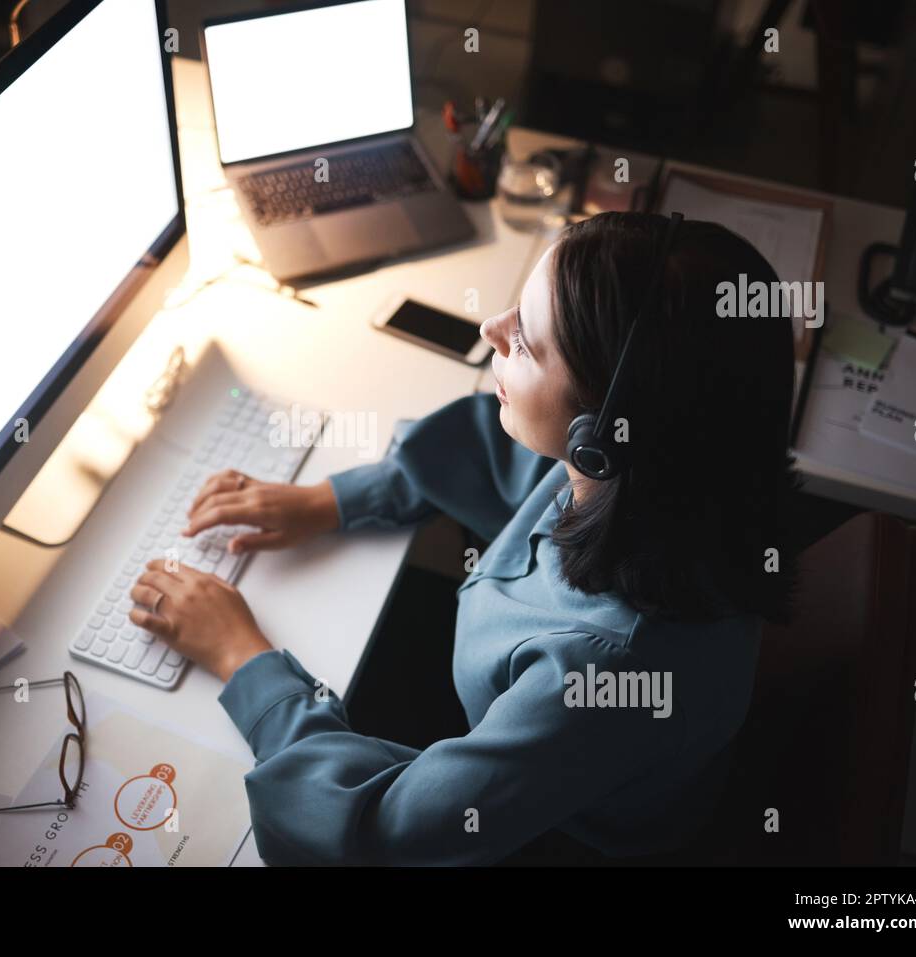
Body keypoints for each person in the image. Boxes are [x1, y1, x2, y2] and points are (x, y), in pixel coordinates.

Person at [127, 211, 800, 866]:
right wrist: (331, 500)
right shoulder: (664, 476)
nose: (490, 328)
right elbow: (498, 455)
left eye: (525, 341)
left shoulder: (599, 675)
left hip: (556, 835)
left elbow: (380, 830)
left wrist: (242, 660)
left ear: (596, 437)